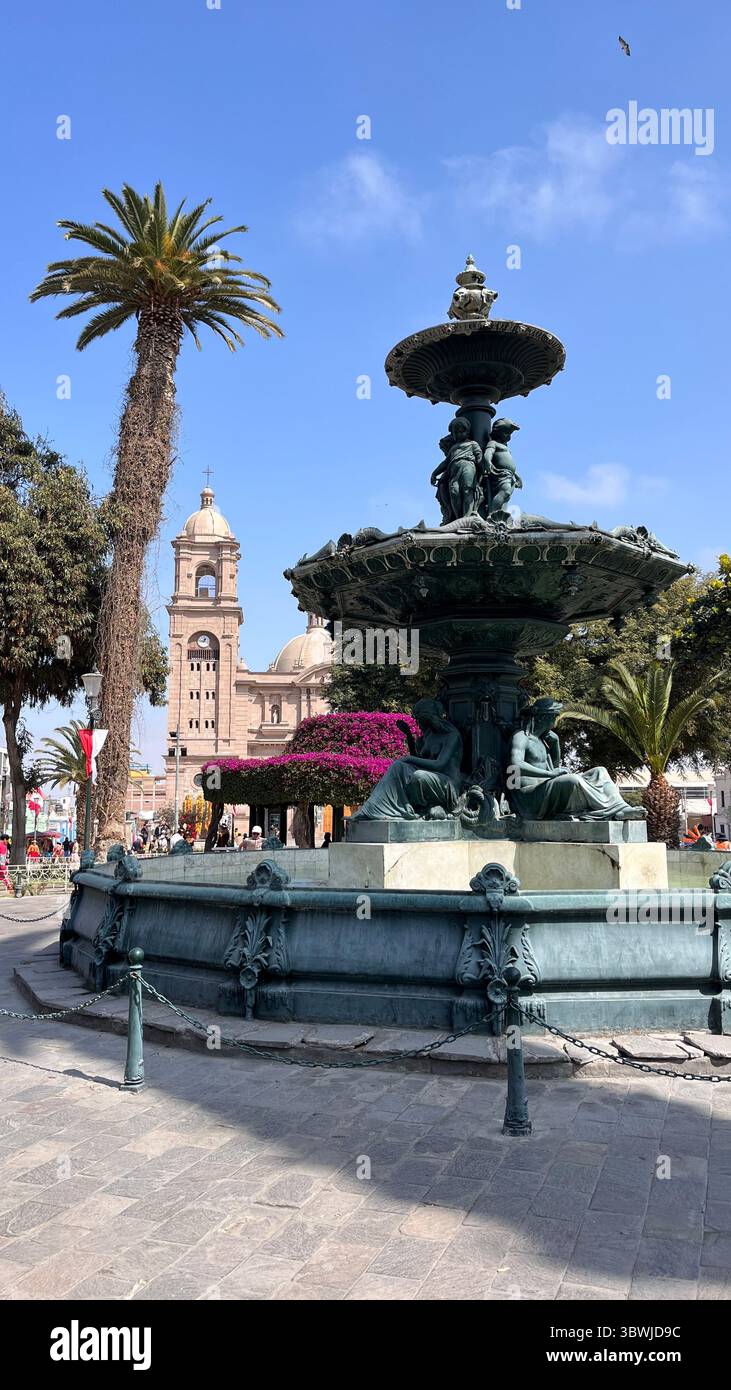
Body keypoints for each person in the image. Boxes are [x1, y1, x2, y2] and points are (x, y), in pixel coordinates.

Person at [508, 698, 646, 821]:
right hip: (530, 796)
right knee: (573, 780)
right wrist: (550, 775)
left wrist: (555, 745)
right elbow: (515, 765)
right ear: (544, 717)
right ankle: (611, 812)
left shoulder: (543, 740)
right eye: (554, 717)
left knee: (600, 771)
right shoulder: (521, 737)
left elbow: (555, 768)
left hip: (546, 788)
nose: (555, 722)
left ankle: (620, 808)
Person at [350, 699, 463, 822]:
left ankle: (407, 810)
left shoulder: (451, 735)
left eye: (419, 719)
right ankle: (371, 809)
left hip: (448, 784)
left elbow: (439, 764)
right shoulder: (427, 737)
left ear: (428, 718)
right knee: (399, 766)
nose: (417, 723)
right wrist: (409, 736)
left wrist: (409, 759)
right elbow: (419, 761)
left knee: (418, 776)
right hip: (431, 778)